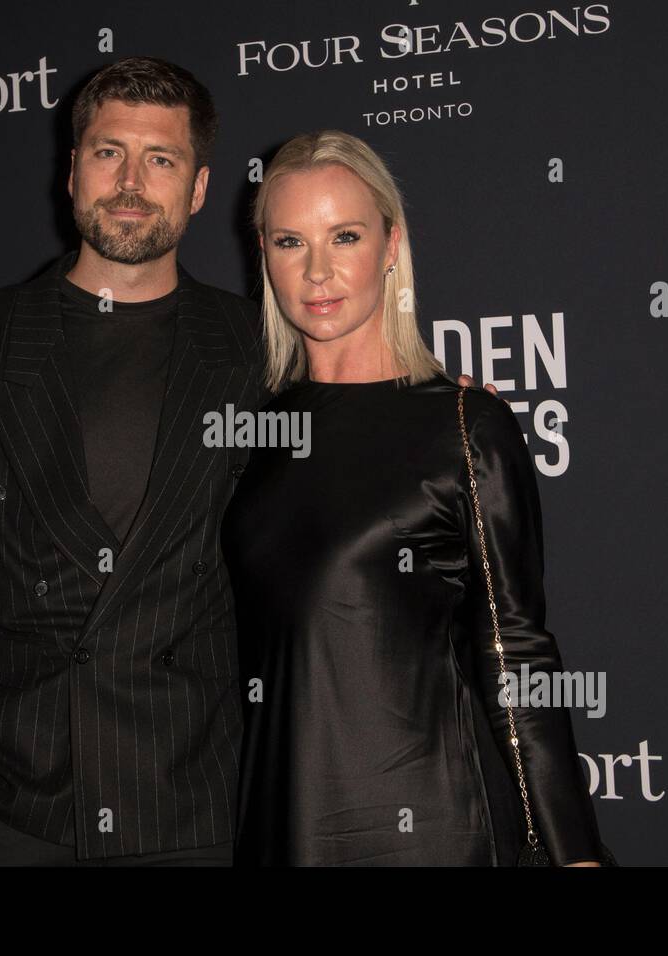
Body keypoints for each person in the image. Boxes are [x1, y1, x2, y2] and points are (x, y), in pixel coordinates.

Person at [0, 56, 272, 865]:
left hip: (193, 803)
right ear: (72, 171)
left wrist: (442, 409)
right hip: (5, 800)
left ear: (197, 189)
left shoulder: (263, 350)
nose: (130, 181)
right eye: (106, 152)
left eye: (161, 160)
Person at [220, 130, 607, 866]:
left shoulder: (463, 423)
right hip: (282, 816)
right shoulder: (253, 431)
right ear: (263, 255)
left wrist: (575, 854)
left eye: (346, 235)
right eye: (289, 241)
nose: (319, 270)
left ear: (391, 245)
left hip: (433, 825)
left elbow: (516, 650)